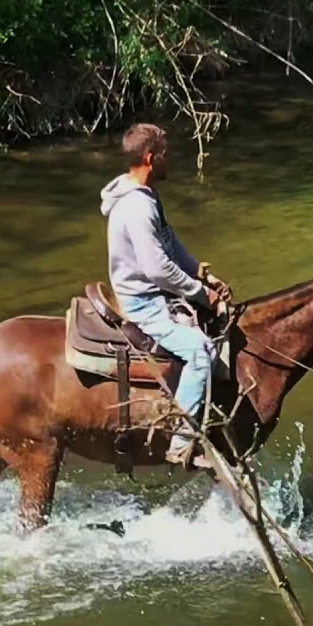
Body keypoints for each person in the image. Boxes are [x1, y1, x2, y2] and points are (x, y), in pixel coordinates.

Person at [98, 122, 231, 465]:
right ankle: (180, 441)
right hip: (144, 301)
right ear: (149, 157)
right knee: (201, 351)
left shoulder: (146, 195)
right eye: (165, 154)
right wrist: (202, 295)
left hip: (156, 290)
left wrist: (207, 279)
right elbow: (157, 269)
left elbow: (171, 245)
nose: (170, 159)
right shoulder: (137, 207)